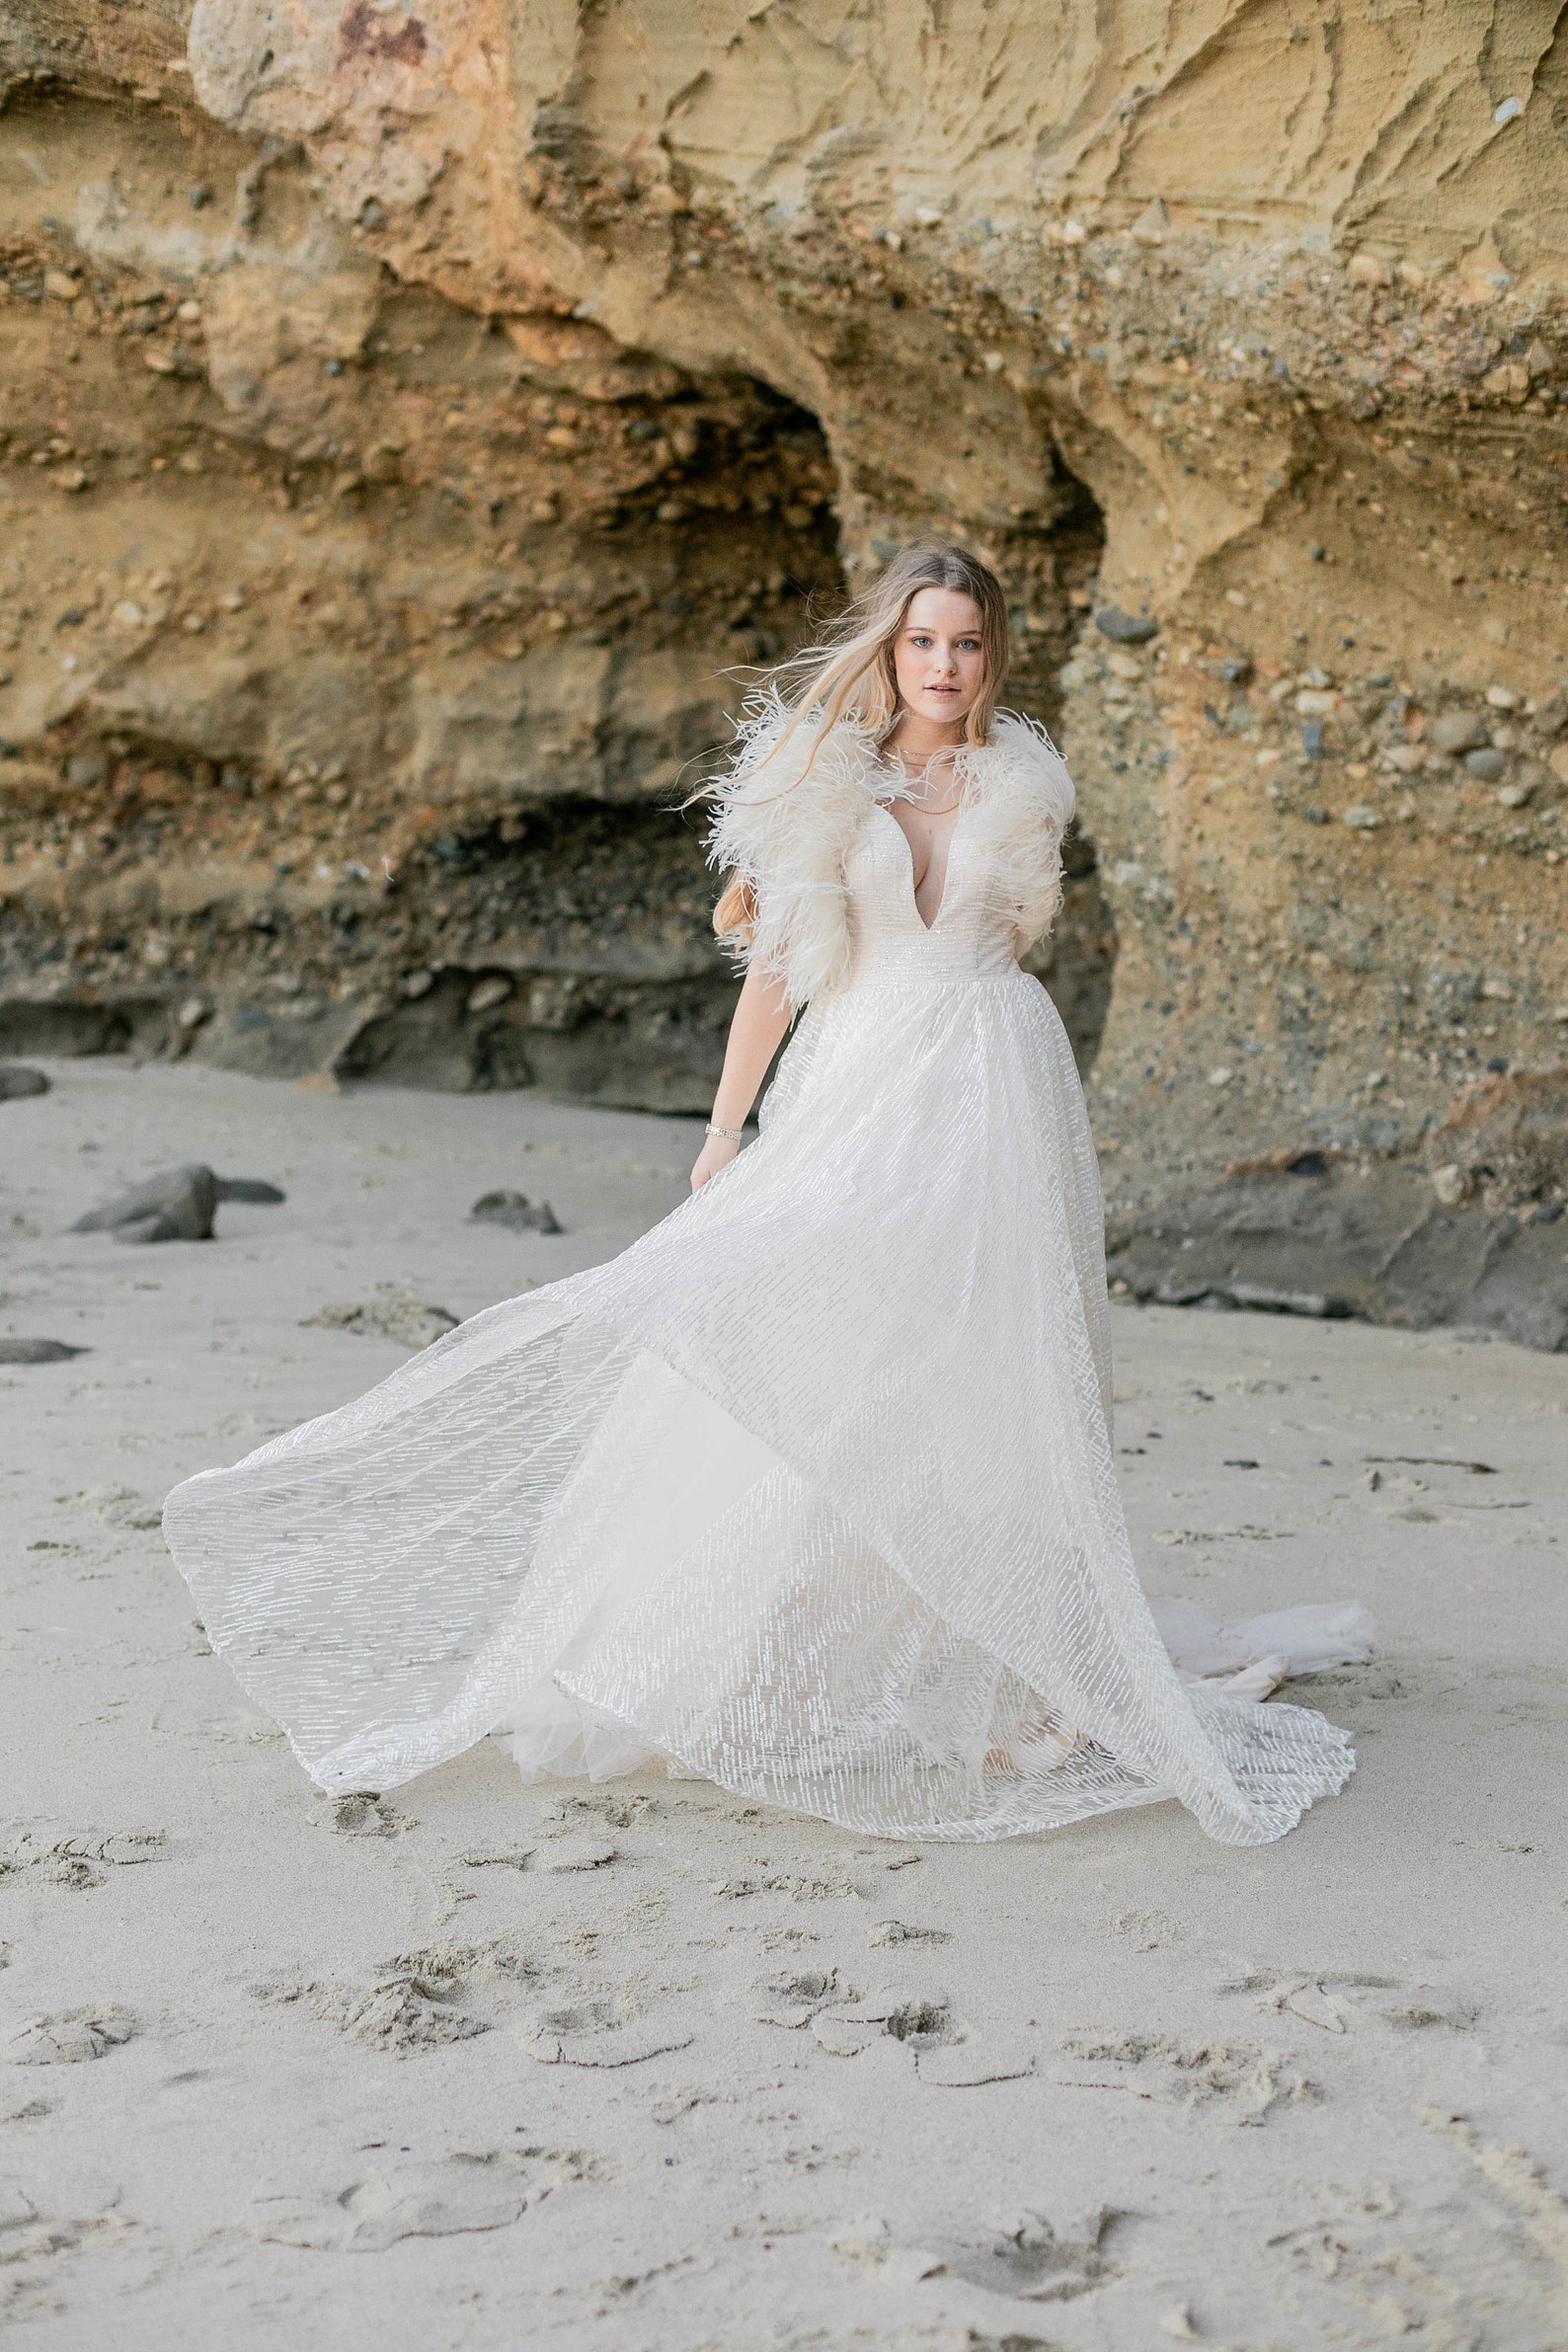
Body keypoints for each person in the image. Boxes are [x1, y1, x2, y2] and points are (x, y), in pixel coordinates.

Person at [163, 544, 1371, 1844]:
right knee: (831, 1351)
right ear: (891, 649)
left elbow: (1008, 946)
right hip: (855, 1092)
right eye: (925, 643)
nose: (947, 666)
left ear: (991, 652)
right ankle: (817, 1642)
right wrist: (724, 1126)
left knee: (979, 1374)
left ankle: (1009, 1669)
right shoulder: (822, 784)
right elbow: (780, 973)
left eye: (967, 643)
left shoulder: (1020, 785)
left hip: (994, 1093)